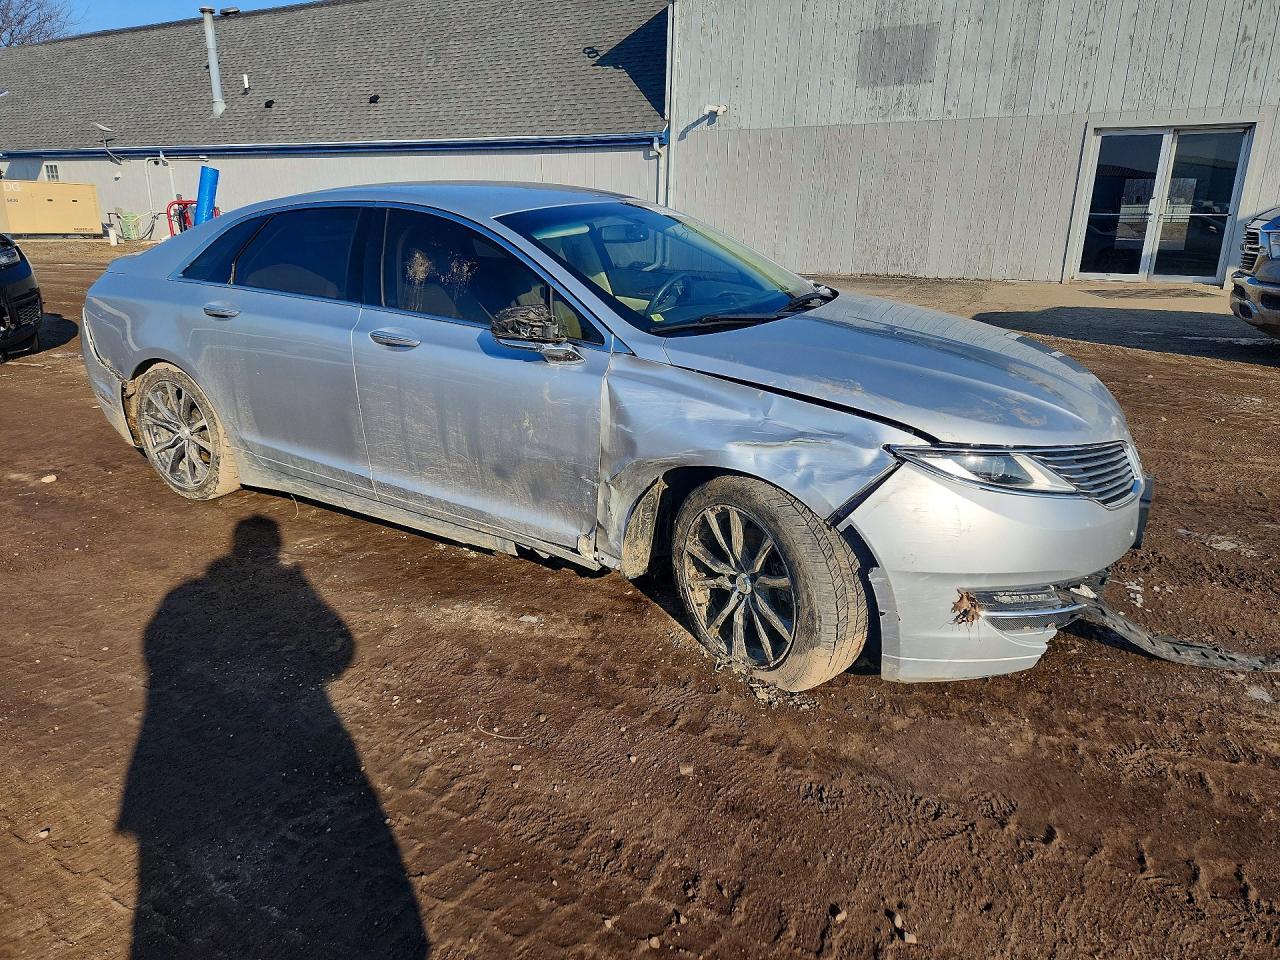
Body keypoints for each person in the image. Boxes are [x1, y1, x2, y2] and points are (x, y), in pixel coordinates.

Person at [118, 516, 428, 959]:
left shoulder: (184, 599)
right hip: (256, 730)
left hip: (189, 741)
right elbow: (340, 646)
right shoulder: (280, 589)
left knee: (180, 872)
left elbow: (158, 651)